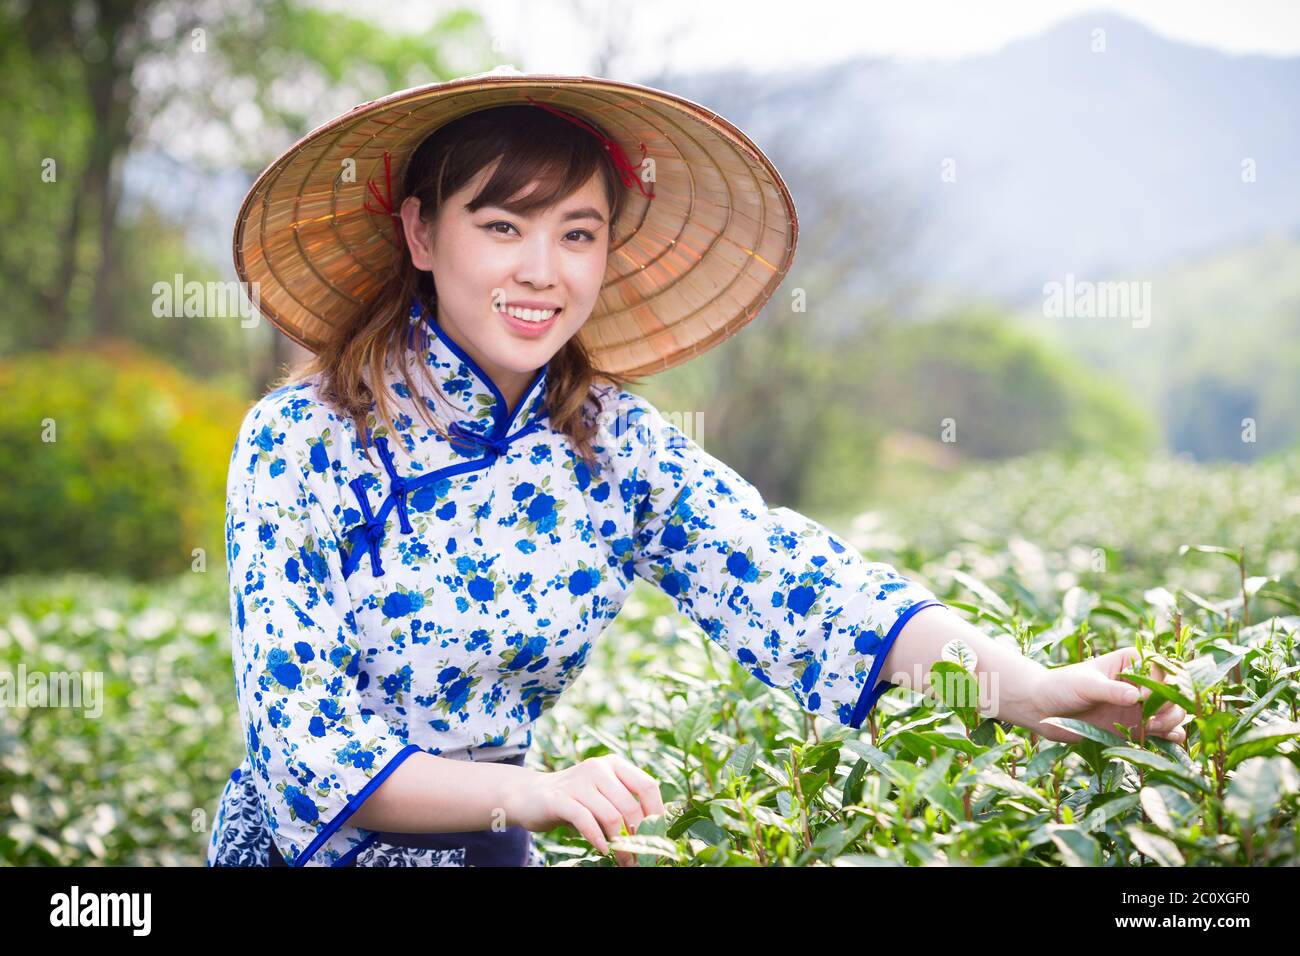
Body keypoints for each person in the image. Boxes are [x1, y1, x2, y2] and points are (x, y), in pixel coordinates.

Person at [206, 69, 1187, 868]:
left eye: (577, 233)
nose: (543, 270)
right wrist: (533, 792)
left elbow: (802, 586)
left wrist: (1021, 687)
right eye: (501, 226)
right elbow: (307, 750)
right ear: (422, 233)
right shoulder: (301, 441)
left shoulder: (610, 441)